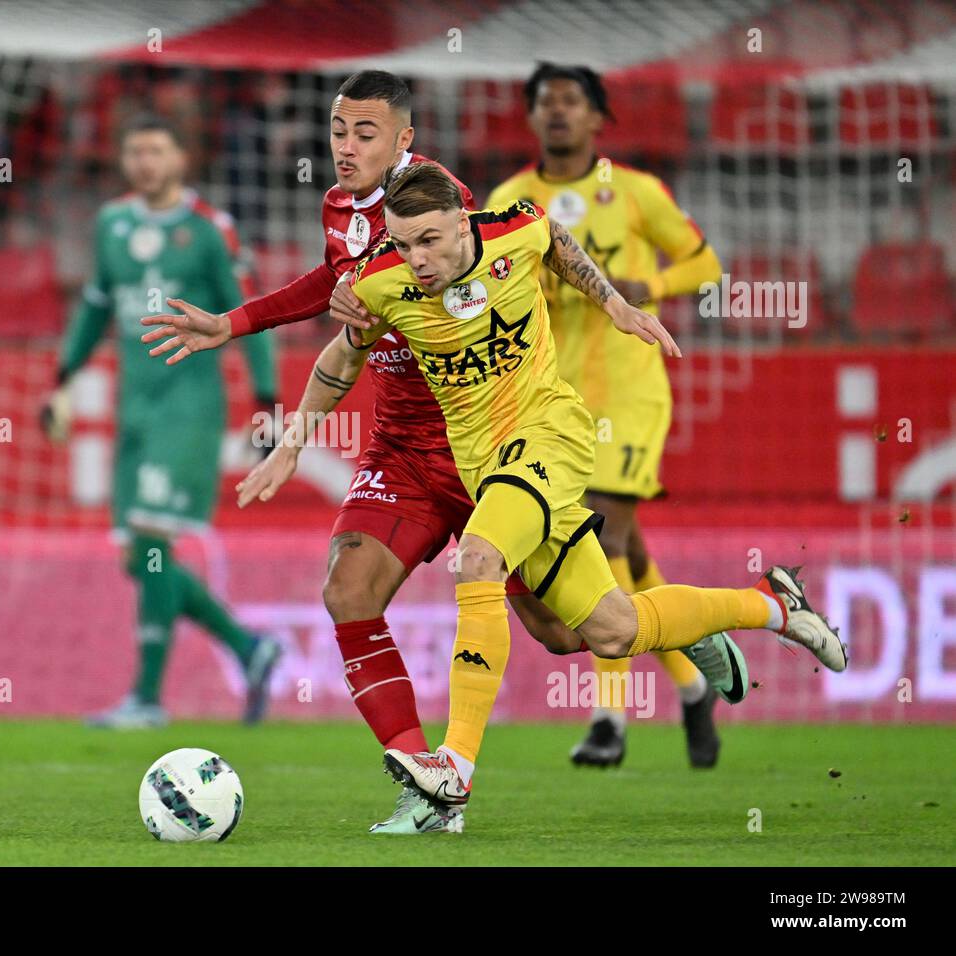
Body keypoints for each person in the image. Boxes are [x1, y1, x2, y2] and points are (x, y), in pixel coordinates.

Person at [141, 73, 749, 834]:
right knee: (347, 591)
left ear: (405, 141)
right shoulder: (340, 211)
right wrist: (244, 344)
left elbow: (525, 249)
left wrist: (618, 302)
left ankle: (692, 626)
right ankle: (432, 789)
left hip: (493, 443)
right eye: (337, 131)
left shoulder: (441, 208)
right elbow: (340, 298)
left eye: (365, 133)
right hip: (404, 450)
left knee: (573, 635)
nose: (345, 148)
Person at [344, 162, 844, 817]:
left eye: (431, 240)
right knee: (609, 631)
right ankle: (772, 605)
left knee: (479, 560)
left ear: (462, 223)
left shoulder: (512, 228)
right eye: (404, 244)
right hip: (483, 468)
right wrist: (299, 422)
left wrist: (615, 303)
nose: (417, 259)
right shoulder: (380, 281)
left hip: (549, 436)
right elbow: (344, 350)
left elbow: (556, 240)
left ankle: (455, 766)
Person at [487, 63, 730, 768]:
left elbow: (705, 264)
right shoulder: (511, 200)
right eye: (544, 103)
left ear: (598, 119)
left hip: (629, 390)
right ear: (530, 118)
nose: (557, 113)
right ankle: (690, 686)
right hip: (553, 400)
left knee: (605, 530)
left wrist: (646, 285)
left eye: (571, 102)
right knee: (630, 553)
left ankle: (609, 722)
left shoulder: (636, 192)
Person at [42, 113, 281, 729]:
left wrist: (266, 401)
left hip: (189, 409)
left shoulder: (210, 230)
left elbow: (249, 311)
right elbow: (97, 301)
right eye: (134, 151)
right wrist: (63, 377)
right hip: (135, 412)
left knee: (151, 540)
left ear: (181, 157)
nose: (144, 161)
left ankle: (146, 700)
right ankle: (252, 649)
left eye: (156, 150)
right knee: (139, 559)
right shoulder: (112, 223)